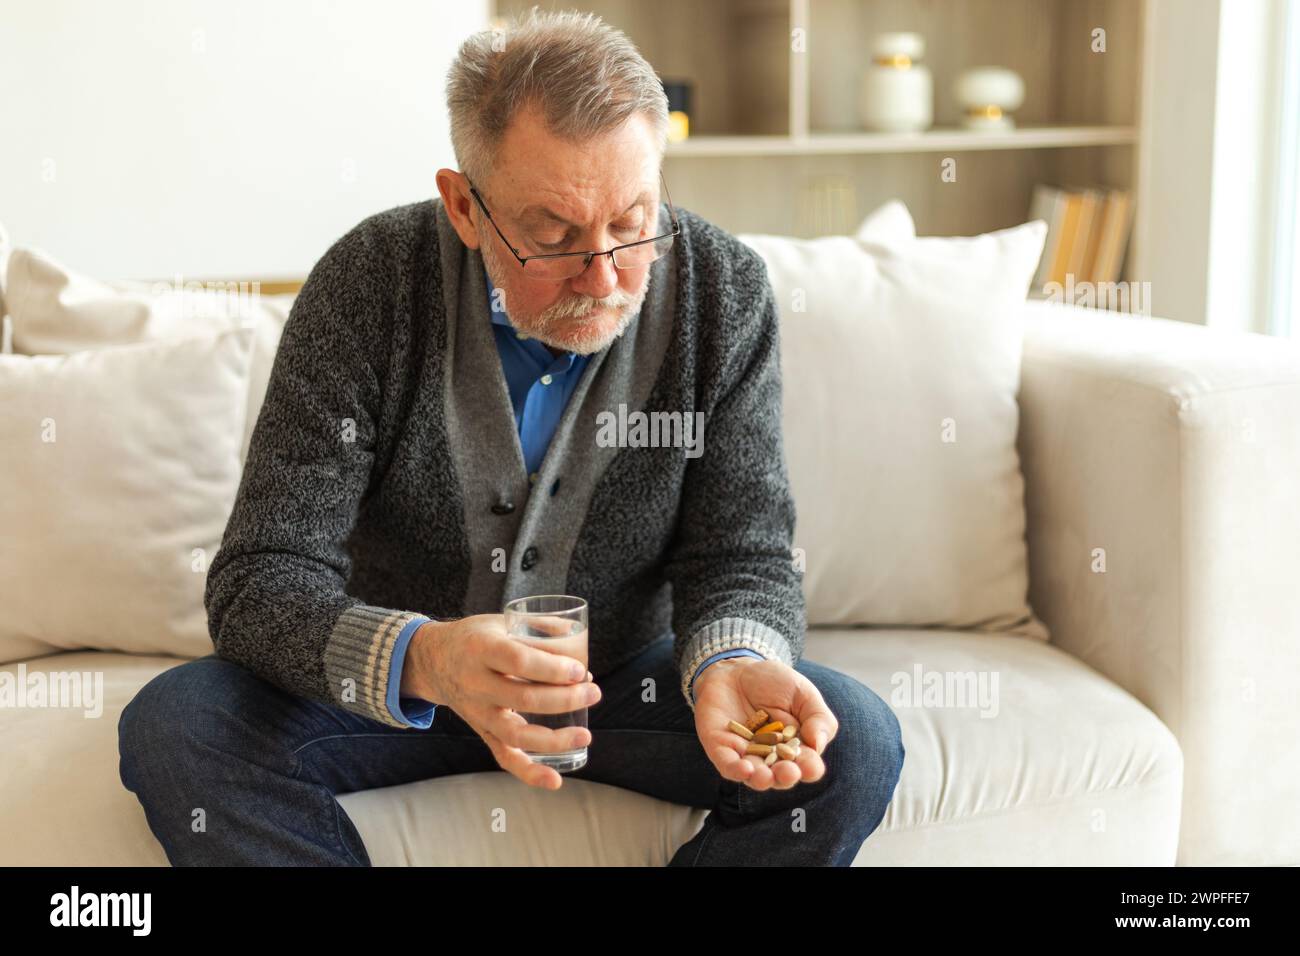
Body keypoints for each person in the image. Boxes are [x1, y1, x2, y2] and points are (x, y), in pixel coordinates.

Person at [118, 7, 903, 866]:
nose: (604, 277)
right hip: (398, 690)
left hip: (621, 686)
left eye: (633, 221)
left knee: (852, 742)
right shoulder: (368, 284)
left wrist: (730, 661)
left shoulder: (722, 291)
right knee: (179, 727)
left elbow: (742, 553)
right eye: (553, 235)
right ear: (464, 205)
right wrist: (428, 657)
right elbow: (260, 579)